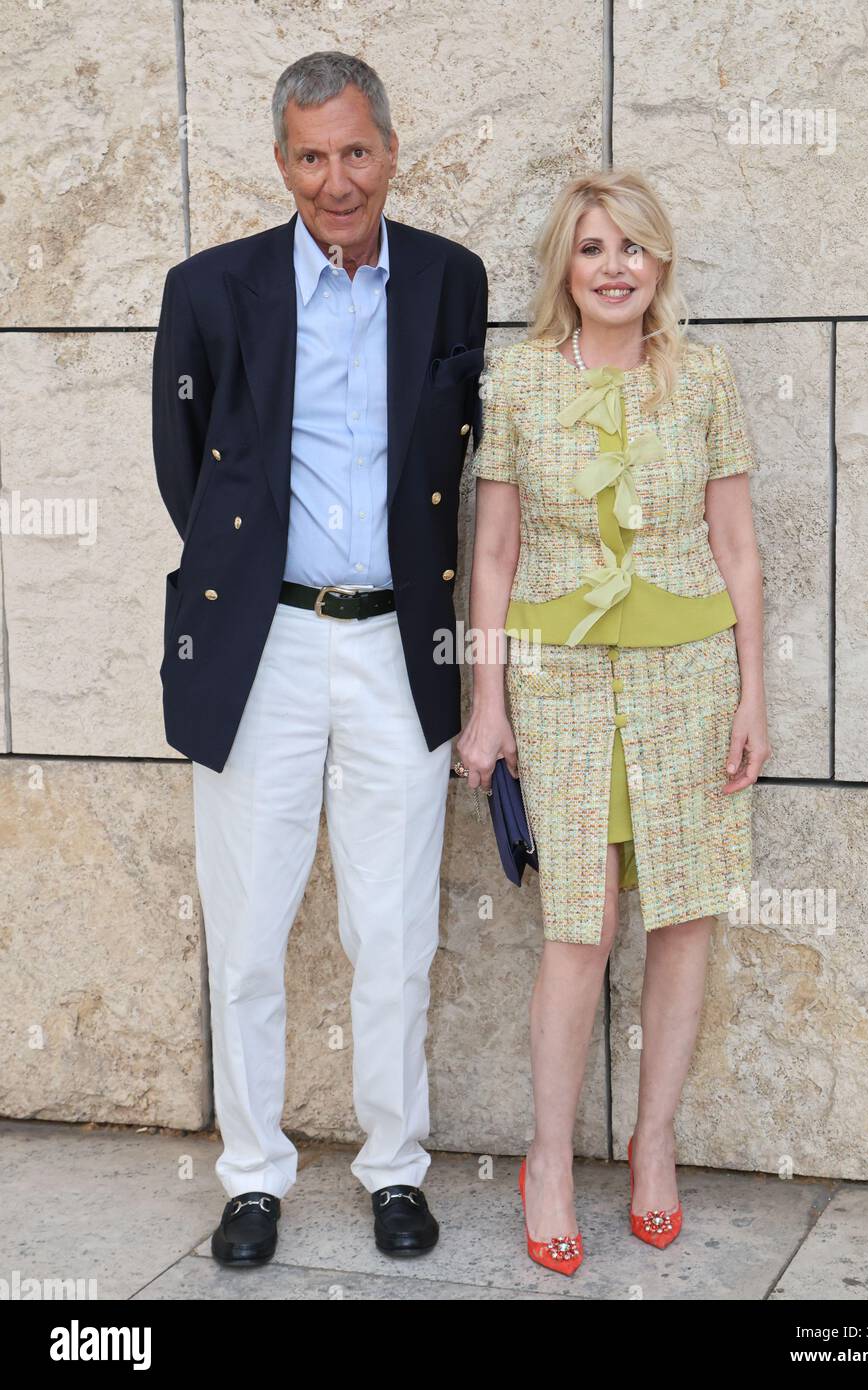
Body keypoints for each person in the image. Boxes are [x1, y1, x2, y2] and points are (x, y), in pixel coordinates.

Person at [151, 50, 487, 1265]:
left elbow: (459, 473)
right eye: (310, 156)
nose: (335, 180)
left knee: (393, 931)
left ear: (391, 151)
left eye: (355, 151)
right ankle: (252, 1180)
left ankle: (395, 1168)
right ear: (281, 161)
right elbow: (190, 473)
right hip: (265, 644)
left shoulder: (453, 281)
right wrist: (252, 596)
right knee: (247, 931)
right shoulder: (209, 289)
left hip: (401, 646)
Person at [457, 169, 769, 1275]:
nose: (615, 268)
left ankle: (655, 1142)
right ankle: (548, 1158)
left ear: (661, 263)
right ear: (565, 268)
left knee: (683, 914)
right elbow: (492, 555)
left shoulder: (705, 377)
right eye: (593, 249)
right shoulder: (522, 381)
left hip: (687, 679)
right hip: (561, 683)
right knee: (577, 930)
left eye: (633, 248)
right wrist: (485, 703)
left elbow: (736, 548)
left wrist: (752, 697)